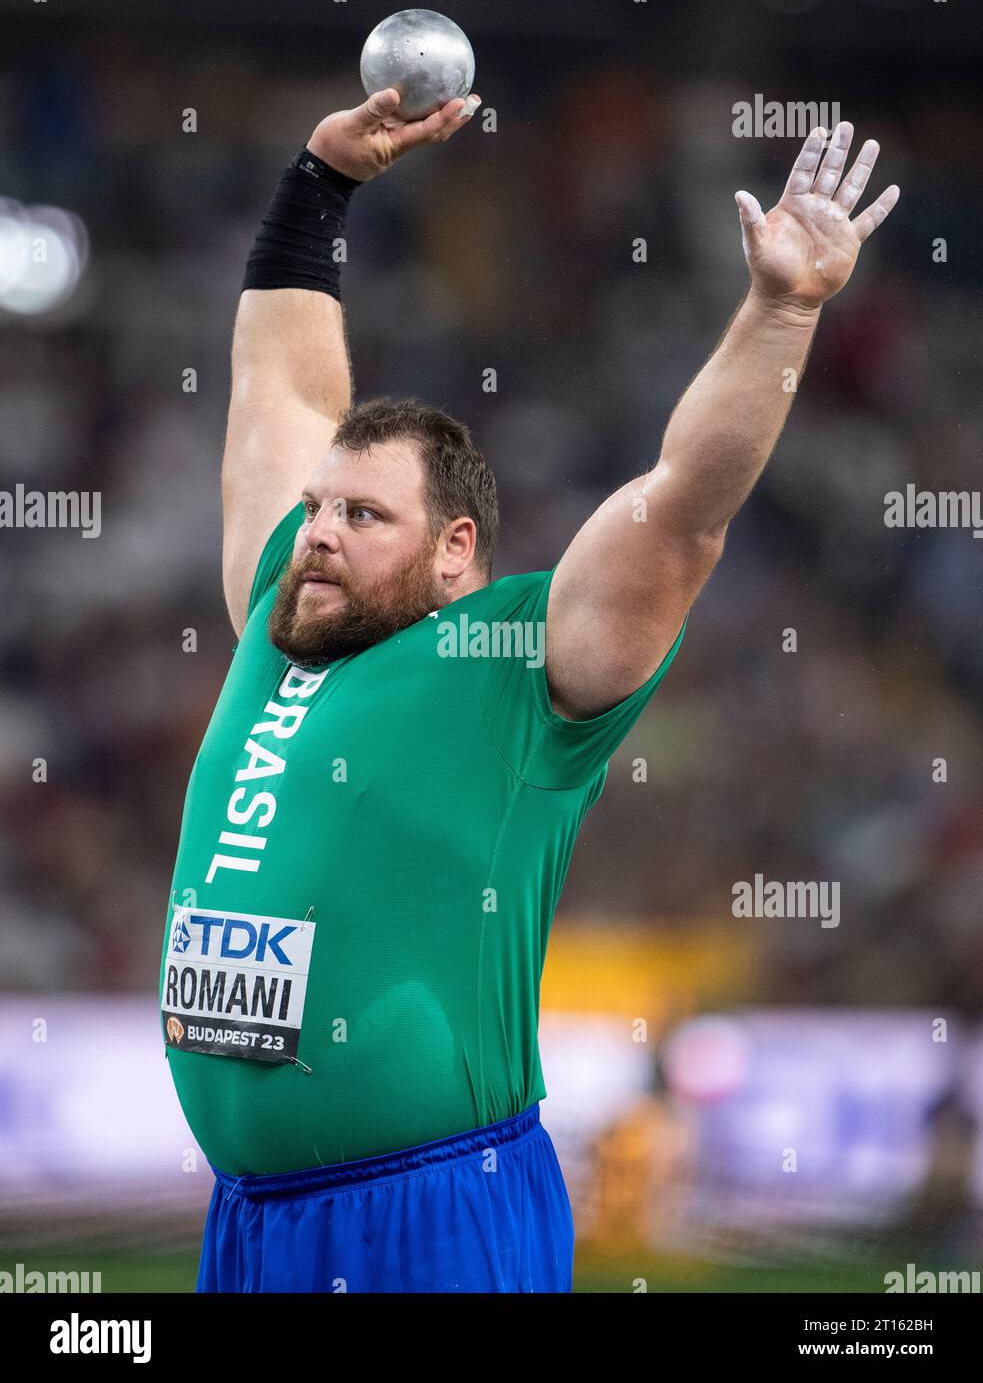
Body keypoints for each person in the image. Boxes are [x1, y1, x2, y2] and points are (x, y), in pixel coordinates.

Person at [159, 85, 898, 1293]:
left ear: (454, 550)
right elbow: (281, 395)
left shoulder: (514, 664)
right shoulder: (273, 619)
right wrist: (317, 185)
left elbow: (681, 509)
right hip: (252, 1224)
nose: (320, 532)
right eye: (315, 508)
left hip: (433, 1215)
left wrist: (778, 308)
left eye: (362, 514)